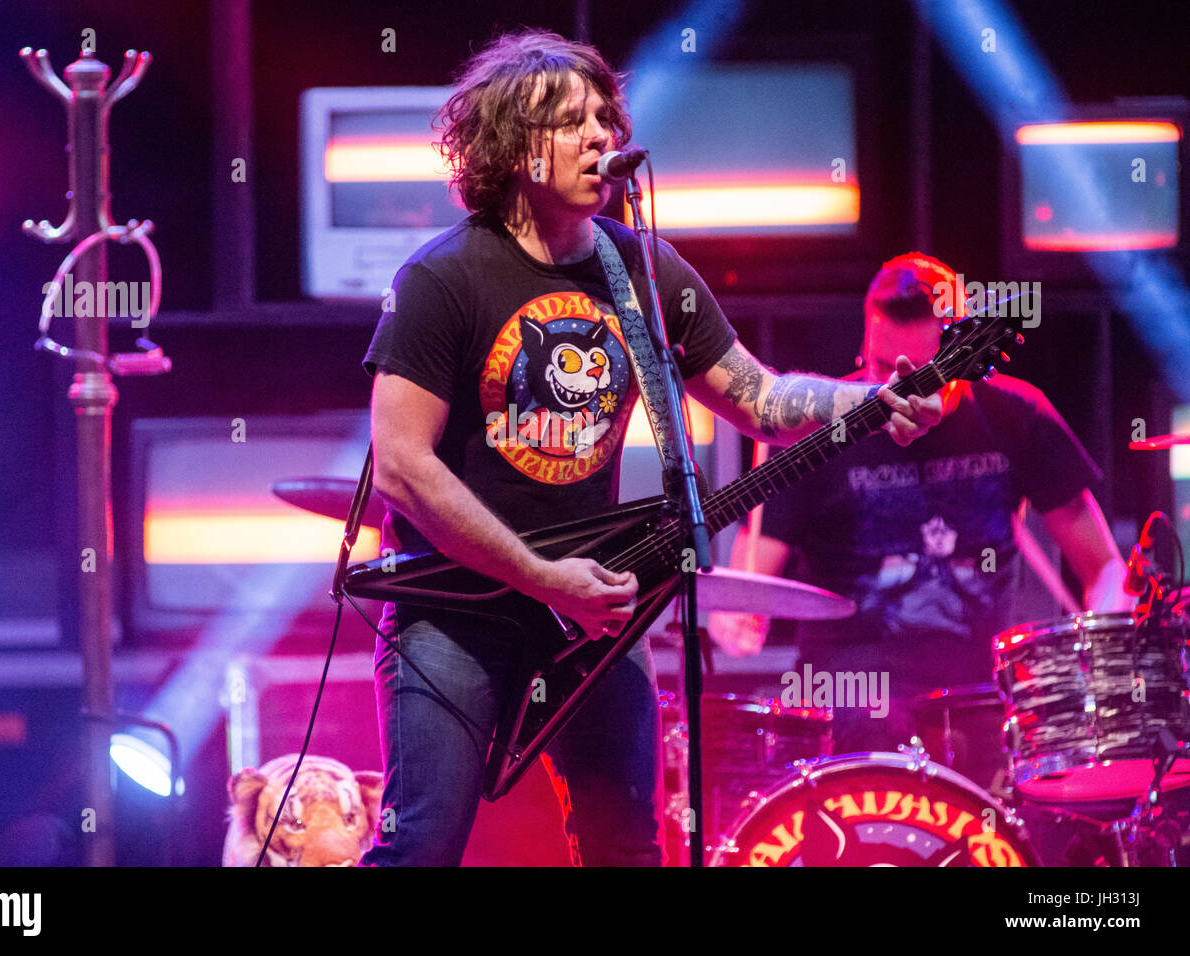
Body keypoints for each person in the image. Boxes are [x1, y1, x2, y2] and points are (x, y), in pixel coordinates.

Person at [359, 31, 941, 866]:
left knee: (630, 847)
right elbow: (403, 469)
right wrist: (538, 575)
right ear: (519, 148)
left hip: (590, 613)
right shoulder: (443, 280)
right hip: (454, 615)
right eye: (574, 122)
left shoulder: (643, 273)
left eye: (607, 116)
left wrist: (871, 399)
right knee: (422, 845)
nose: (604, 135)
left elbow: (762, 399)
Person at [711, 252, 1132, 759]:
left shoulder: (1015, 415)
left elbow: (1105, 567)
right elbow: (746, 588)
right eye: (882, 367)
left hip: (980, 688)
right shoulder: (819, 427)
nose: (894, 388)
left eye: (919, 374)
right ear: (866, 342)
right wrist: (733, 621)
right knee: (873, 719)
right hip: (851, 686)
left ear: (963, 355)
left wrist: (1100, 654)